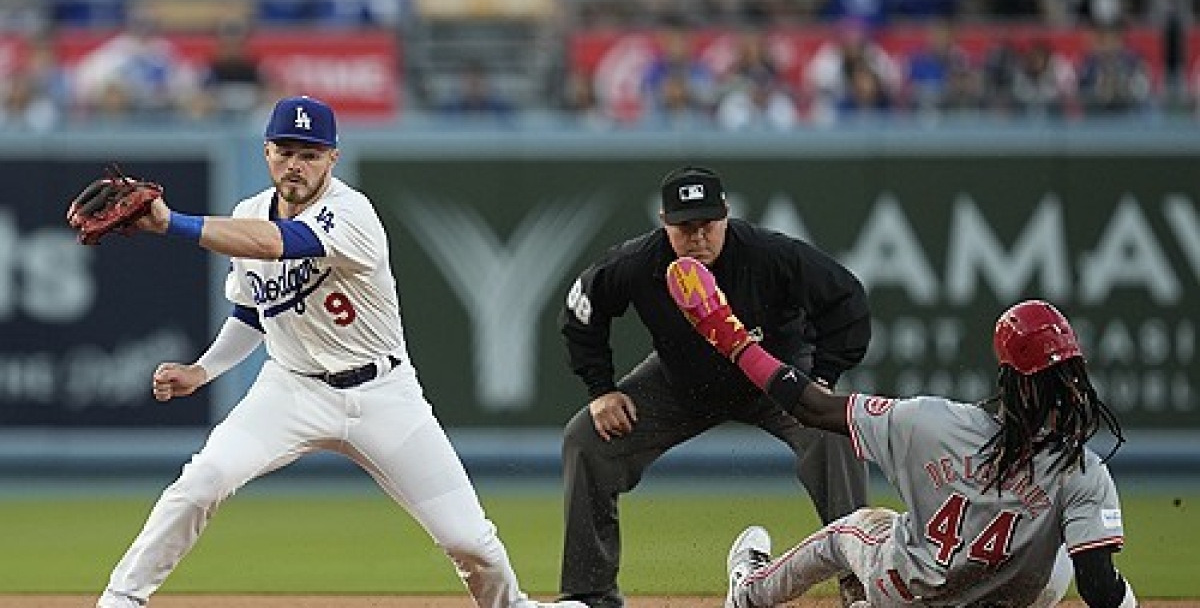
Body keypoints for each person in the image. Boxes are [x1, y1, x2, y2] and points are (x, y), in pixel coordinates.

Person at [95, 95, 585, 608]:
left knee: (468, 541)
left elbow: (277, 244)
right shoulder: (247, 213)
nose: (295, 164)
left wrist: (174, 222)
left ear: (333, 157)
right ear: (266, 152)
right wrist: (203, 369)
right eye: (285, 151)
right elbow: (250, 312)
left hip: (383, 393)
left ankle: (514, 607)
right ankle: (121, 599)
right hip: (290, 390)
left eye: (310, 153)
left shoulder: (352, 213)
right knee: (202, 481)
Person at [663, 256, 1135, 608]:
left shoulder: (930, 422)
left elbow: (811, 407)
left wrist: (732, 339)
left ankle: (747, 594)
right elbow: (1098, 589)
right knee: (1062, 558)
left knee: (853, 529)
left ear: (1005, 375)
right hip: (1007, 597)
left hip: (906, 592)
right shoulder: (1083, 471)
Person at [558, 165, 871, 608]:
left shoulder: (768, 253)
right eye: (685, 227)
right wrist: (600, 389)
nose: (698, 237)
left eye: (708, 223)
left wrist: (822, 378)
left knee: (833, 434)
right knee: (585, 440)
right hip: (680, 382)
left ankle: (858, 584)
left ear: (726, 214)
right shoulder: (637, 263)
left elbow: (847, 298)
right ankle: (590, 595)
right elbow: (582, 310)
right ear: (665, 222)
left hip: (774, 378)